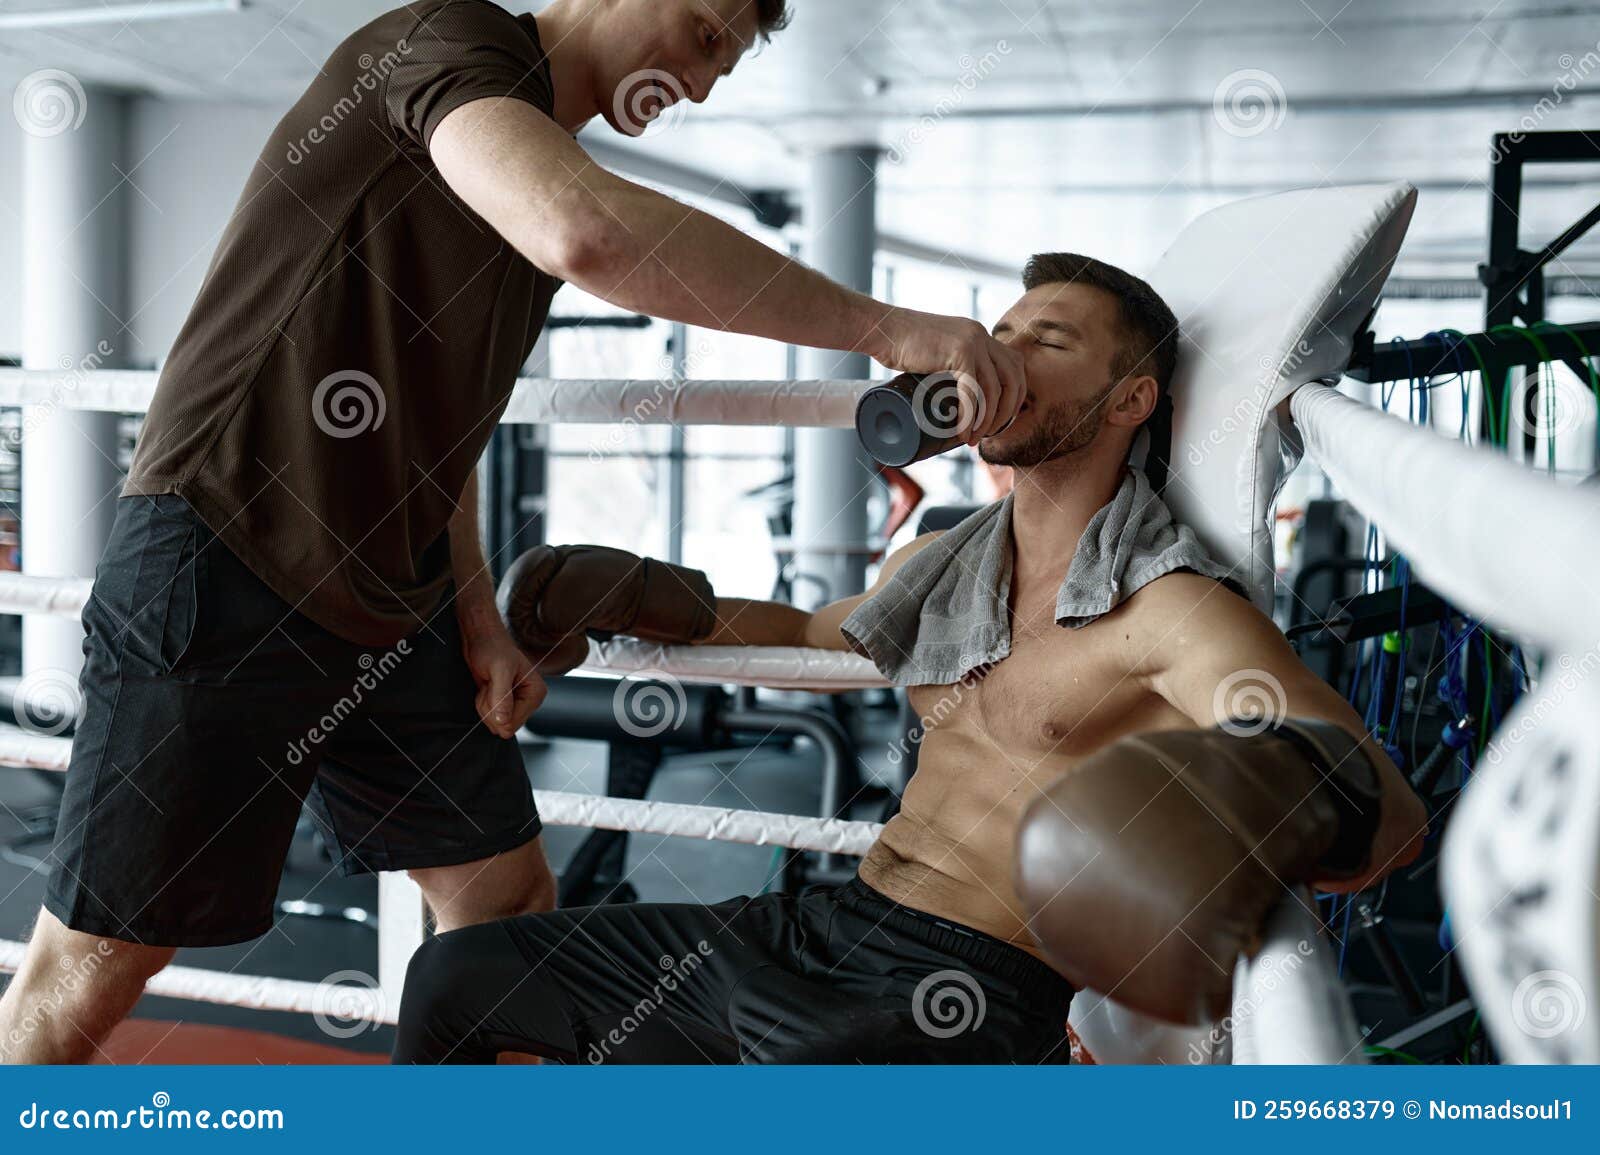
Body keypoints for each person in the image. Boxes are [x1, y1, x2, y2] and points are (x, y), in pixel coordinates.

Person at [0, 0, 1027, 1064]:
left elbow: (449, 426)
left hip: (392, 600)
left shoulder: (533, 156)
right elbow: (581, 229)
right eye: (704, 33)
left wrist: (478, 614)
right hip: (227, 552)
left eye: (725, 57)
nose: (706, 79)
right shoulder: (454, 40)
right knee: (93, 965)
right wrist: (887, 328)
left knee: (500, 902)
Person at [392, 253, 1430, 1064]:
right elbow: (808, 635)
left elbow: (1383, 809)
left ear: (1129, 403)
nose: (1005, 358)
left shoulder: (1169, 610)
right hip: (827, 925)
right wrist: (645, 596)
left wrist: (1250, 797)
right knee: (456, 979)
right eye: (1003, 332)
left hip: (969, 990)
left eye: (1050, 343)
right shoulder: (948, 562)